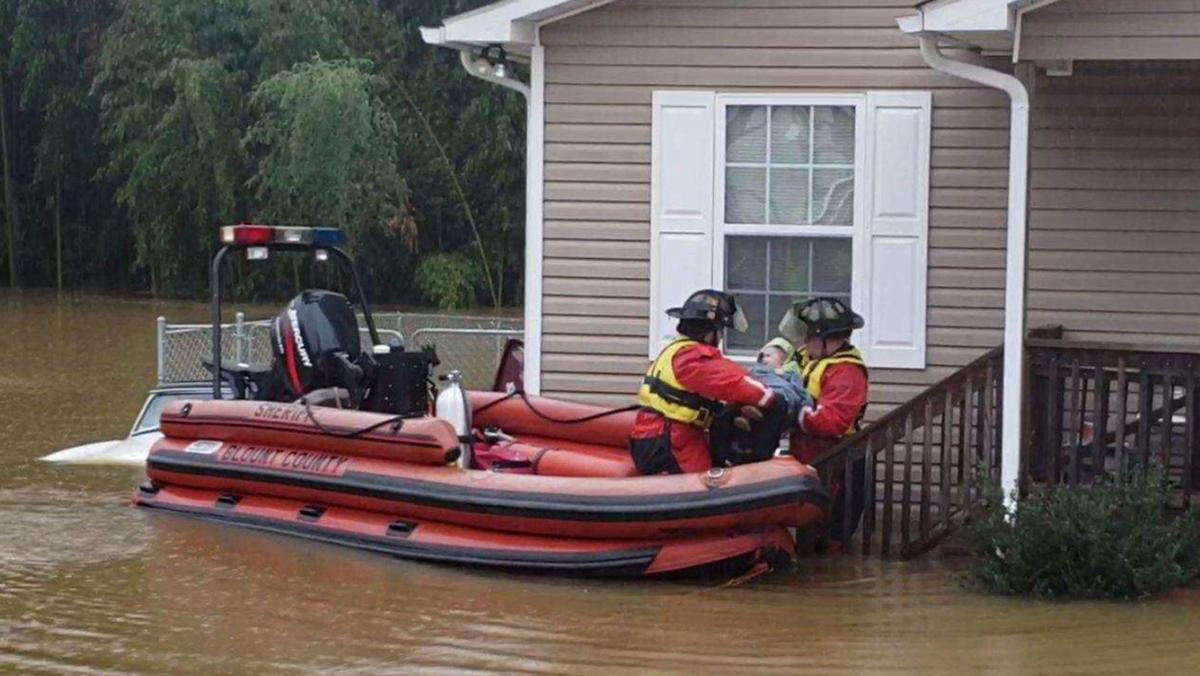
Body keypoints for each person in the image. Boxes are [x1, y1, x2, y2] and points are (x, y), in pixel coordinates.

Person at [630, 290, 780, 475]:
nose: (722, 337)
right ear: (710, 332)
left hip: (659, 435)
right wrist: (773, 398)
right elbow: (738, 384)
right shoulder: (694, 358)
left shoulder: (676, 350)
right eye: (720, 331)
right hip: (671, 441)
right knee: (704, 488)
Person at [778, 297, 869, 547]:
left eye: (809, 337)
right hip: (812, 457)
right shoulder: (811, 360)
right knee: (809, 537)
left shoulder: (846, 372)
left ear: (827, 339)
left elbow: (832, 421)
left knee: (830, 542)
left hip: (838, 462)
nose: (805, 342)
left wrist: (795, 412)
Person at [711, 337, 812, 467]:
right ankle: (746, 416)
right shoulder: (757, 370)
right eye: (762, 356)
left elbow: (799, 391)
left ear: (783, 360)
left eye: (769, 355)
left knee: (767, 400)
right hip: (757, 394)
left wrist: (803, 409)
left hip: (777, 398)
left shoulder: (789, 373)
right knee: (750, 397)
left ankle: (750, 414)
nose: (764, 358)